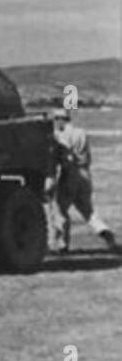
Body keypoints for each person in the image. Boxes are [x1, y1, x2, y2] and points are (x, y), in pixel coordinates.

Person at [47, 108, 119, 254]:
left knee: (61, 211)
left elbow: (57, 159)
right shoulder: (81, 132)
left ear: (60, 120)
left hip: (70, 175)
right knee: (88, 211)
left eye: (55, 120)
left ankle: (63, 245)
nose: (54, 123)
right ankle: (104, 231)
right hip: (85, 173)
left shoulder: (60, 136)